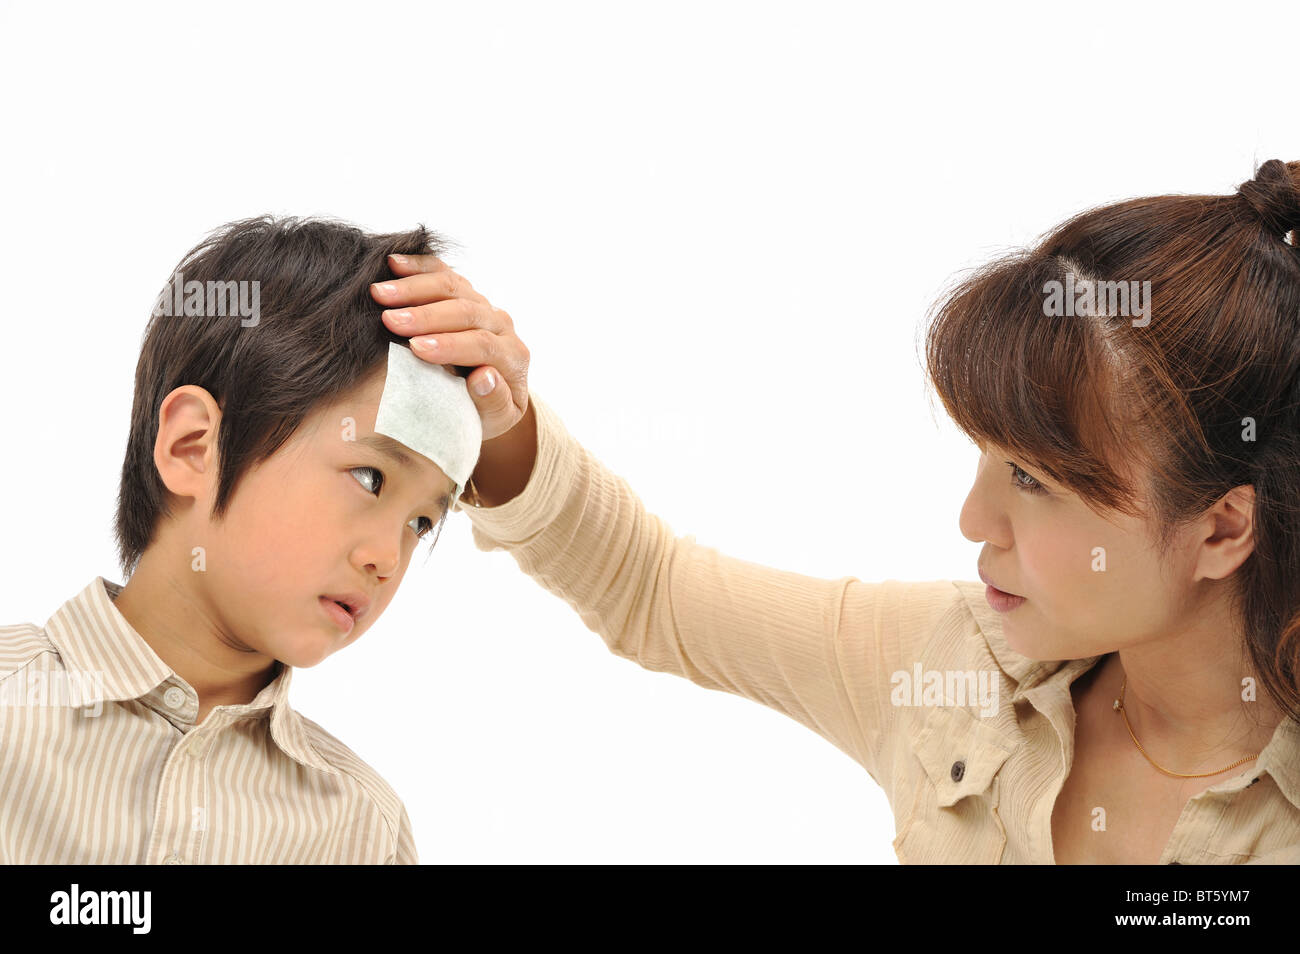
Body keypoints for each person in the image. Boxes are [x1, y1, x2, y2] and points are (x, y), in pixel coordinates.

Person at [378, 159, 1300, 864]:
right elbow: (653, 591)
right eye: (986, 458)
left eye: (1033, 480)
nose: (974, 519)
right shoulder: (955, 667)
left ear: (1221, 528)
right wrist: (500, 415)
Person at [0, 215, 479, 863]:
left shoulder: (361, 829)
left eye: (422, 522)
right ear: (195, 446)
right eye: (369, 477)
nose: (386, 558)